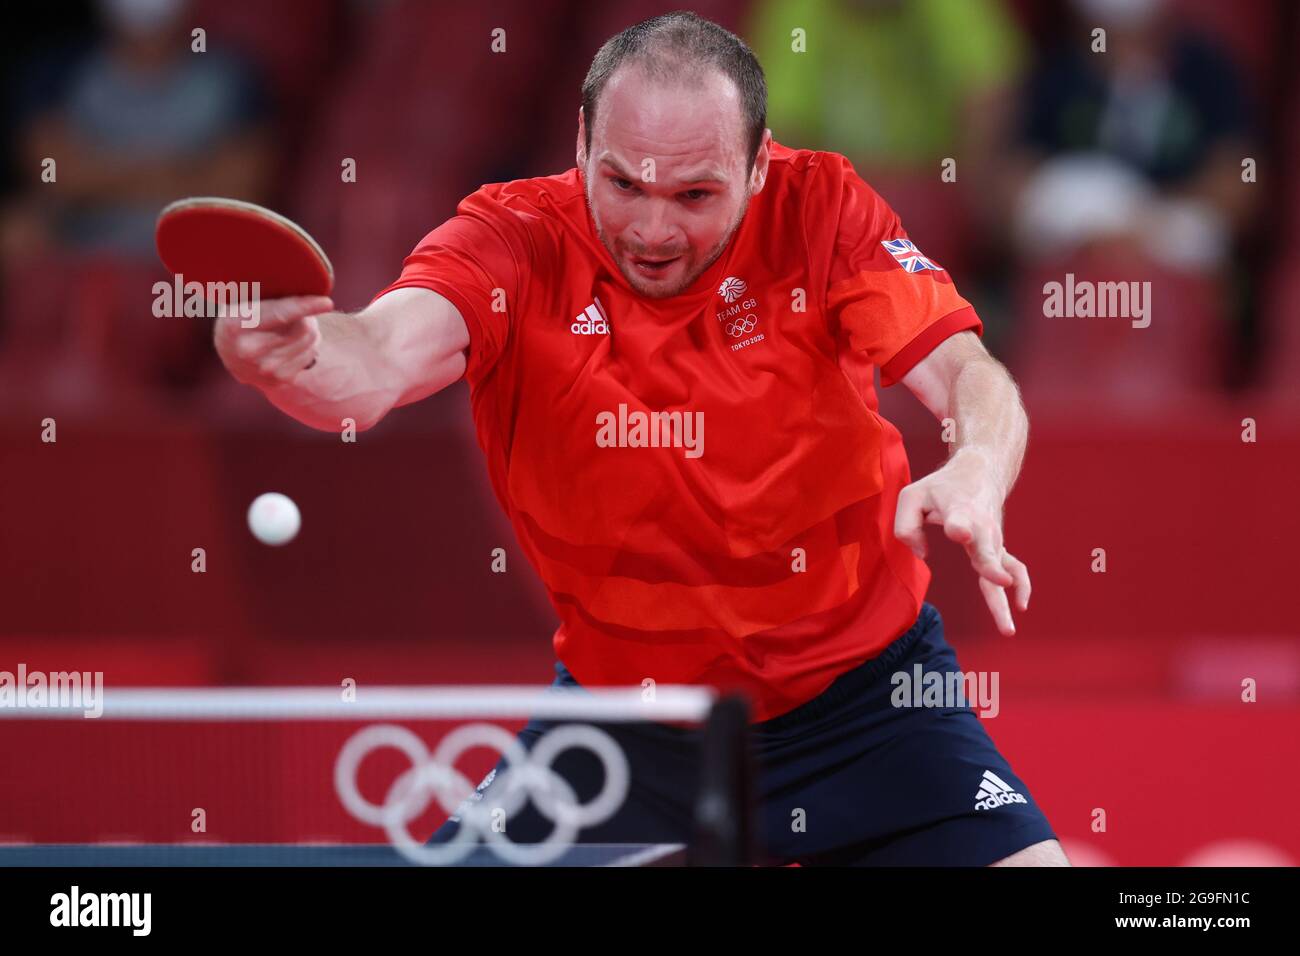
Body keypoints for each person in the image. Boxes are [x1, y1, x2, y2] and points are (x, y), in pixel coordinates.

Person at [212, 12, 1067, 866]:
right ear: (582, 143)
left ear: (759, 163)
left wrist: (980, 465)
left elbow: (969, 372)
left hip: (872, 712)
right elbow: (375, 361)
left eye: (695, 195)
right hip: (627, 736)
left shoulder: (824, 210)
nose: (654, 234)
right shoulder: (512, 241)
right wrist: (294, 360)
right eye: (624, 185)